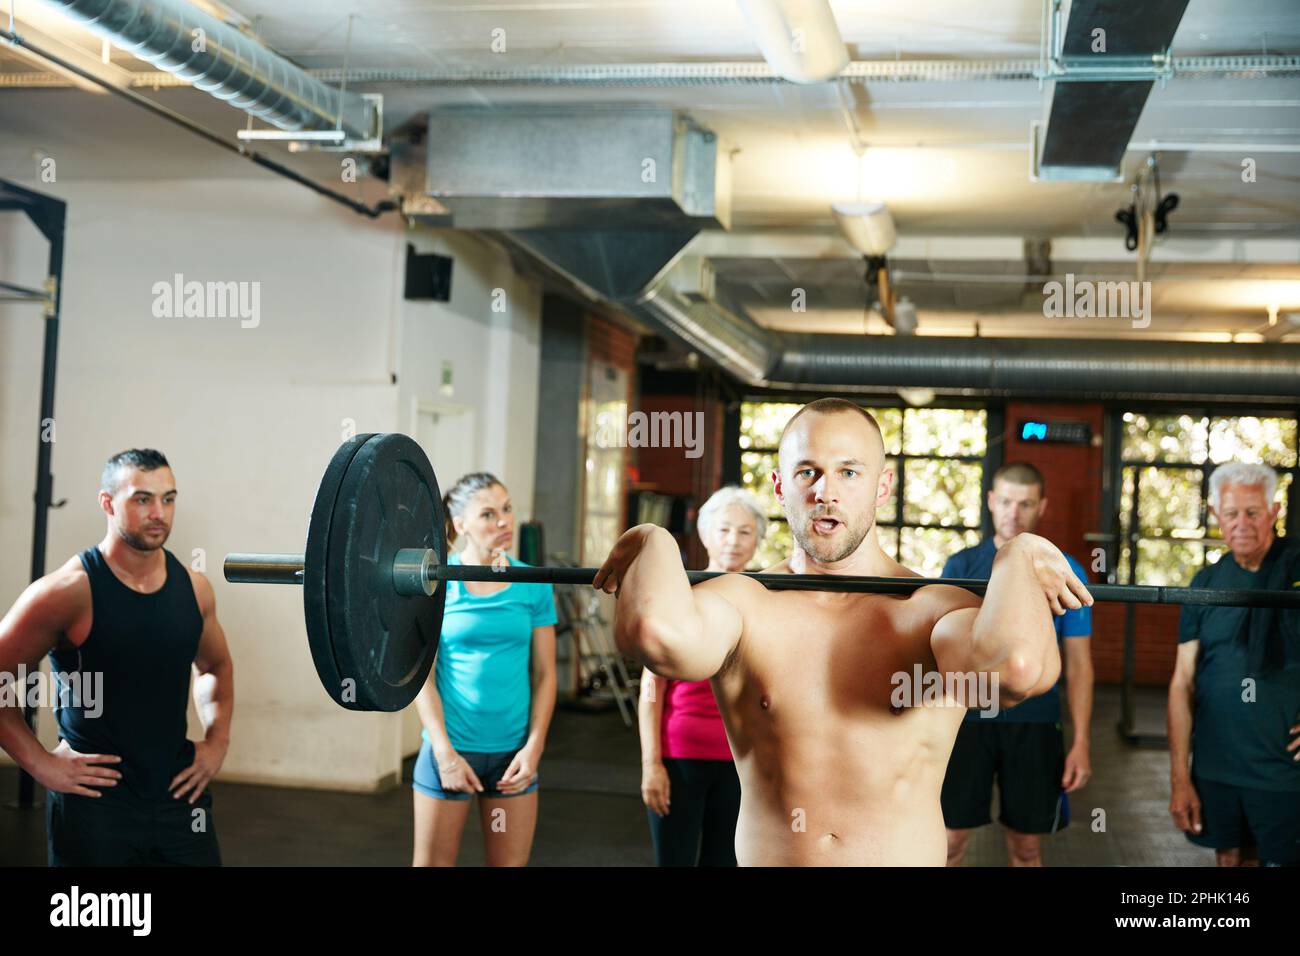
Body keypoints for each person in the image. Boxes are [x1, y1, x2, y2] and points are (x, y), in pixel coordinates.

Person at [594, 398, 1091, 866]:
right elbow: (655, 635)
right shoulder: (744, 601)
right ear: (781, 486)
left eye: (848, 472)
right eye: (807, 471)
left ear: (881, 487)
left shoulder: (930, 610)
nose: (825, 491)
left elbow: (1016, 672)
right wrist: (652, 537)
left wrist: (1017, 555)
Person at [0, 448, 233, 866]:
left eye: (168, 498)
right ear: (107, 503)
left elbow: (215, 667)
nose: (159, 512)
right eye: (142, 499)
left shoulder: (195, 590)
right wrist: (41, 764)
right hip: (94, 802)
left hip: (179, 796)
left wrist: (217, 742)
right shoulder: (66, 592)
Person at [940, 462, 1094, 866]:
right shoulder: (960, 566)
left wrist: (1080, 742)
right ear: (991, 501)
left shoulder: (1066, 571)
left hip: (1036, 723)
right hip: (968, 722)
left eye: (1025, 504)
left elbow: (1079, 663)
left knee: (1026, 848)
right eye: (1006, 501)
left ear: (1041, 507)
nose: (1014, 513)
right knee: (948, 843)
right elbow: (940, 655)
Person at [412, 472, 557, 867]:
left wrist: (534, 747)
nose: (505, 521)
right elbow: (422, 676)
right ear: (460, 525)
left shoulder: (532, 582)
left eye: (507, 509)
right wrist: (443, 753)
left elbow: (545, 675)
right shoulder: (438, 583)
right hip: (450, 750)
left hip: (513, 755)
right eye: (489, 514)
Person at [1168, 461, 1300, 867]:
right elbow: (1181, 683)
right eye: (1231, 513)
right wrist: (1179, 777)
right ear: (1215, 516)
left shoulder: (1295, 568)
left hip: (1284, 771)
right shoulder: (1204, 583)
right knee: (1229, 861)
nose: (1241, 523)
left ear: (1274, 512)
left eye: (1252, 512)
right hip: (1218, 765)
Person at [638, 486, 765, 866]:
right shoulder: (678, 594)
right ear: (706, 535)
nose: (733, 541)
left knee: (724, 861)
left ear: (757, 540)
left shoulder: (765, 598)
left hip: (741, 761)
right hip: (680, 756)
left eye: (745, 532)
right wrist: (651, 765)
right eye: (724, 530)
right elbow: (651, 689)